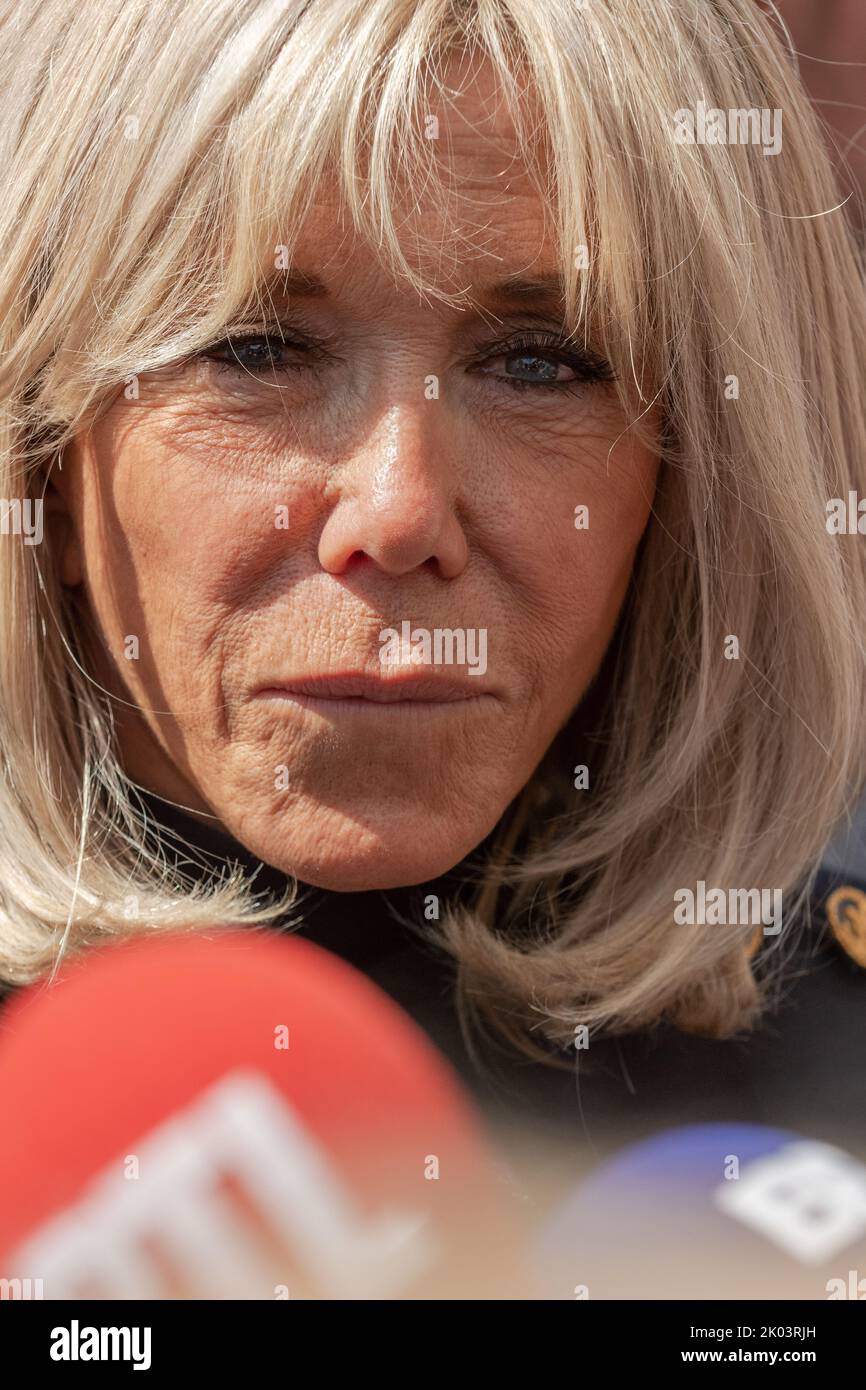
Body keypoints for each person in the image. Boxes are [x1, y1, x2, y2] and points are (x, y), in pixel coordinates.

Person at [1, 0, 866, 1213]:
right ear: (41, 442)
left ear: (689, 476)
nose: (400, 511)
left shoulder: (820, 1087)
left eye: (537, 363)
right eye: (254, 348)